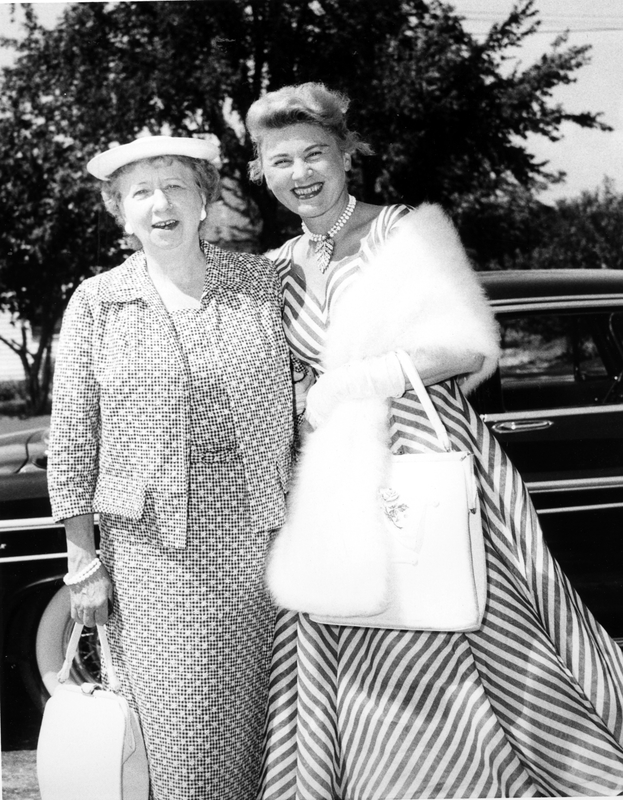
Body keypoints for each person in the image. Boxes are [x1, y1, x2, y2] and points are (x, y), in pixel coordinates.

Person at [245, 82, 623, 799]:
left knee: (458, 616)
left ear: (346, 155)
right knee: (349, 625)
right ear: (261, 172)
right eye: (281, 160)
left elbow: (465, 347)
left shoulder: (401, 232)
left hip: (424, 456)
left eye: (314, 154)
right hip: (331, 476)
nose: (300, 173)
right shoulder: (273, 268)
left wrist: (353, 382)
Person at [47, 135, 294, 800]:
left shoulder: (263, 283)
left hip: (265, 547)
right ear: (119, 212)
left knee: (268, 730)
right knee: (174, 733)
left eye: (178, 186)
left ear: (206, 200)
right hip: (151, 558)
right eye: (141, 192)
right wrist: (82, 562)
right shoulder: (98, 302)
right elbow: (72, 442)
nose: (162, 204)